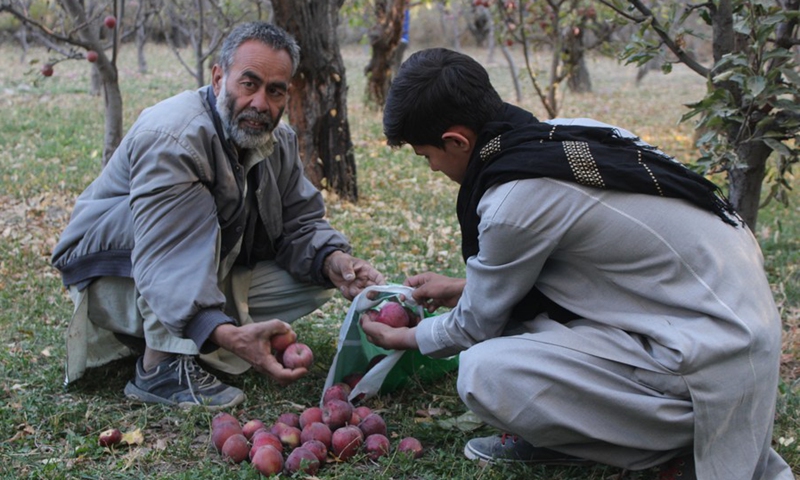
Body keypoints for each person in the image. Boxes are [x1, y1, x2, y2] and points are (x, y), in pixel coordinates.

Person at [360, 48, 792, 479]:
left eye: (427, 156)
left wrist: (408, 337)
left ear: (457, 141)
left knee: (484, 372)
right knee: (519, 321)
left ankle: (672, 447)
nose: (433, 168)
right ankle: (606, 433)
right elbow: (599, 263)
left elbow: (476, 326)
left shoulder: (513, 200)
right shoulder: (565, 134)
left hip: (709, 357)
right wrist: (462, 286)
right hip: (722, 324)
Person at [52, 22, 384, 410]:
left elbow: (300, 223)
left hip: (195, 264)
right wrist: (228, 337)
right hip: (114, 274)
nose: (260, 103)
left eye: (274, 91)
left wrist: (335, 260)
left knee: (321, 279)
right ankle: (161, 366)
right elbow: (168, 255)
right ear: (217, 78)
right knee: (198, 213)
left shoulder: (279, 142)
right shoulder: (175, 136)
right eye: (249, 84)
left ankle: (197, 329)